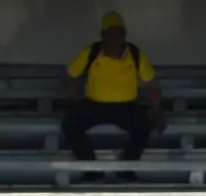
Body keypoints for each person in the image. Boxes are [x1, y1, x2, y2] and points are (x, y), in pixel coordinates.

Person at [62, 11, 165, 182]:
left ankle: (126, 169)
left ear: (124, 35)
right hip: (94, 105)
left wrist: (157, 113)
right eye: (110, 35)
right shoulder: (92, 52)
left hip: (125, 107)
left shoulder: (135, 54)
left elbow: (152, 85)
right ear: (103, 36)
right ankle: (91, 168)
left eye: (119, 34)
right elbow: (68, 75)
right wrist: (76, 99)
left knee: (144, 127)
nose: (115, 40)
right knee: (69, 125)